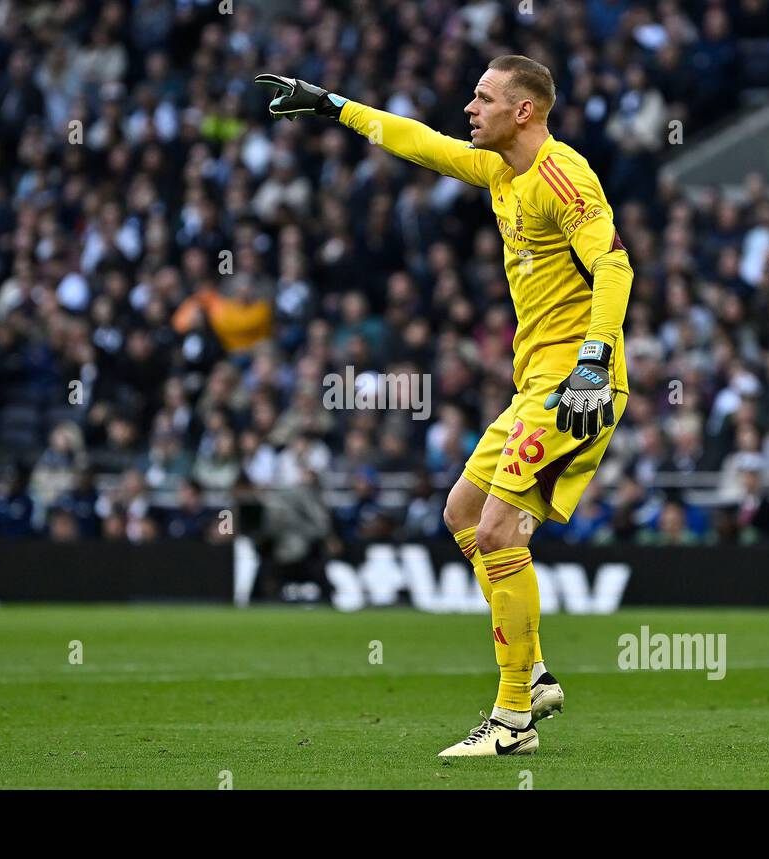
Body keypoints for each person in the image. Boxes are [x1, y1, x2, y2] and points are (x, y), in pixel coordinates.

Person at [257, 55, 634, 757]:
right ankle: (537, 671)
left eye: (484, 97)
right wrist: (334, 104)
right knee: (462, 514)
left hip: (575, 383)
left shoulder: (563, 175)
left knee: (496, 533)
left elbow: (615, 264)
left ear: (524, 111)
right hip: (536, 385)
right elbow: (419, 142)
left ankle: (514, 719)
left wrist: (593, 360)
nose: (470, 107)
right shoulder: (500, 170)